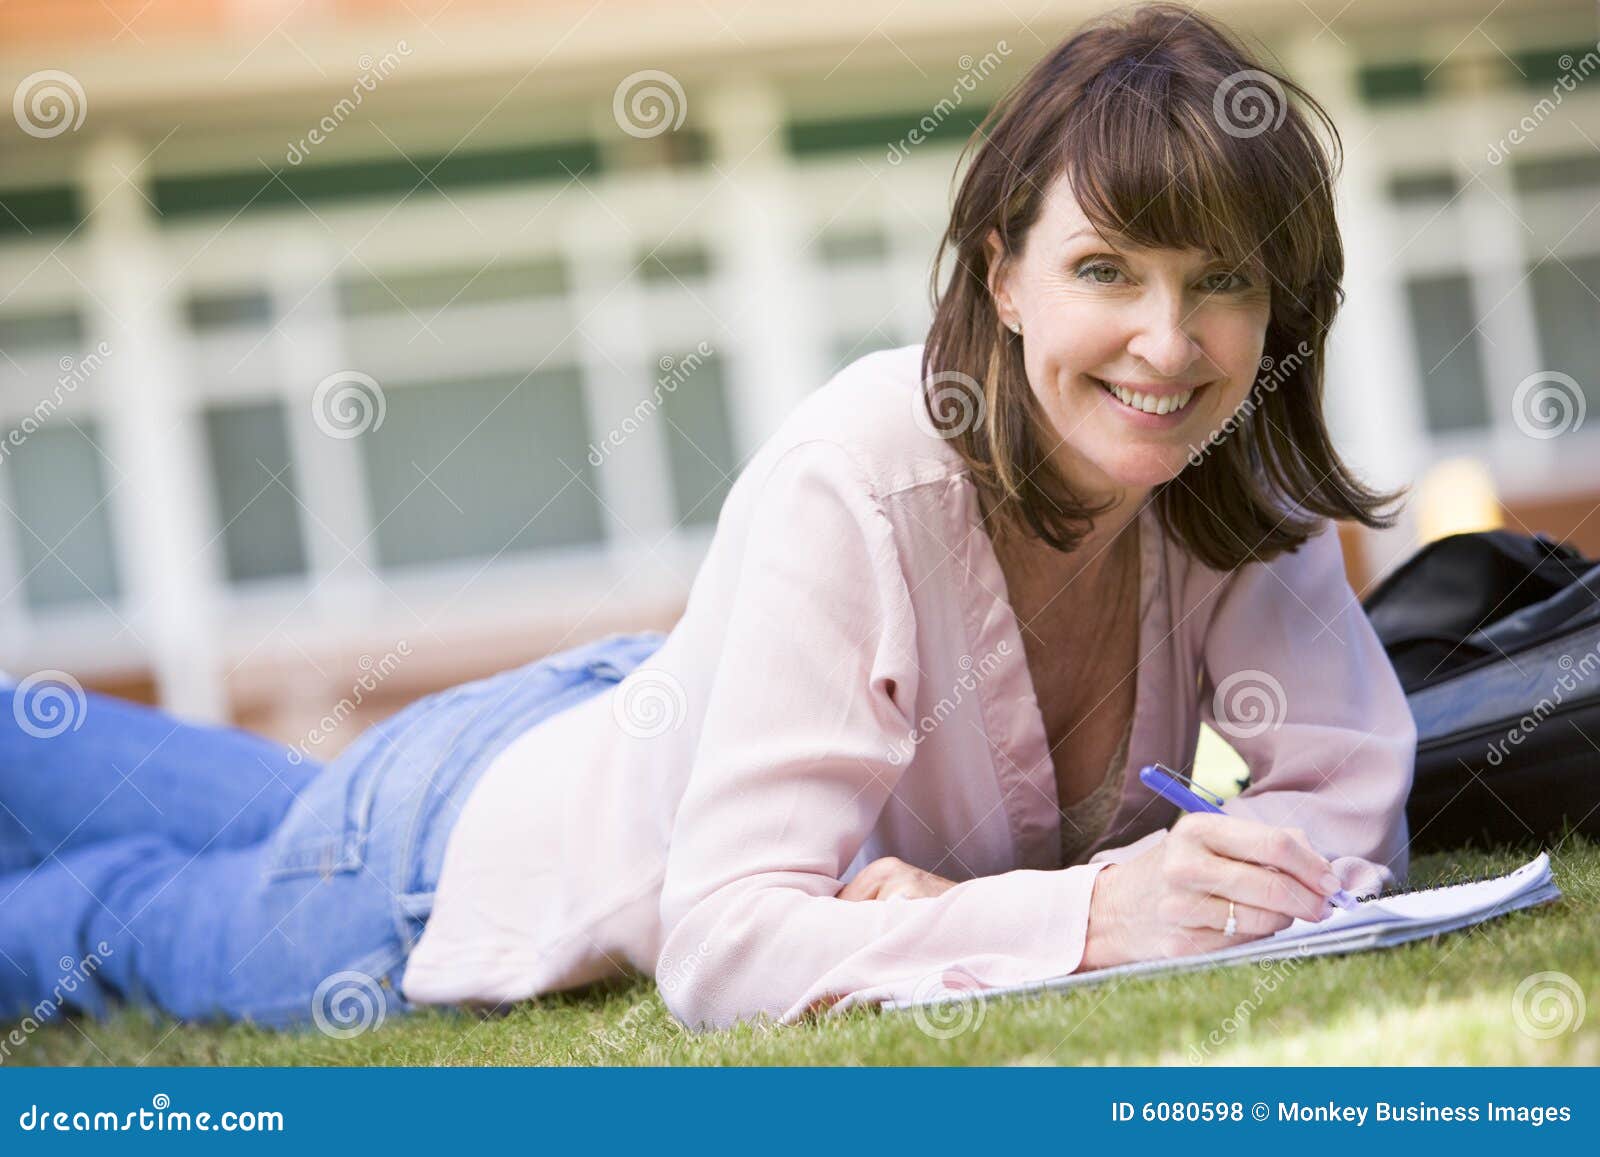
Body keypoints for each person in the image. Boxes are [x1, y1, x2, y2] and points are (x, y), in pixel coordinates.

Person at [0, 2, 1416, 1035]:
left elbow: (1347, 826)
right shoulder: (863, 469)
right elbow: (725, 947)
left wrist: (944, 911)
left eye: (1219, 281)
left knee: (238, 813)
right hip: (472, 846)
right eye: (1108, 268)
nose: (1167, 345)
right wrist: (1098, 911)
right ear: (1002, 274)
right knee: (116, 917)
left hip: (650, 710)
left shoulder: (1237, 485)